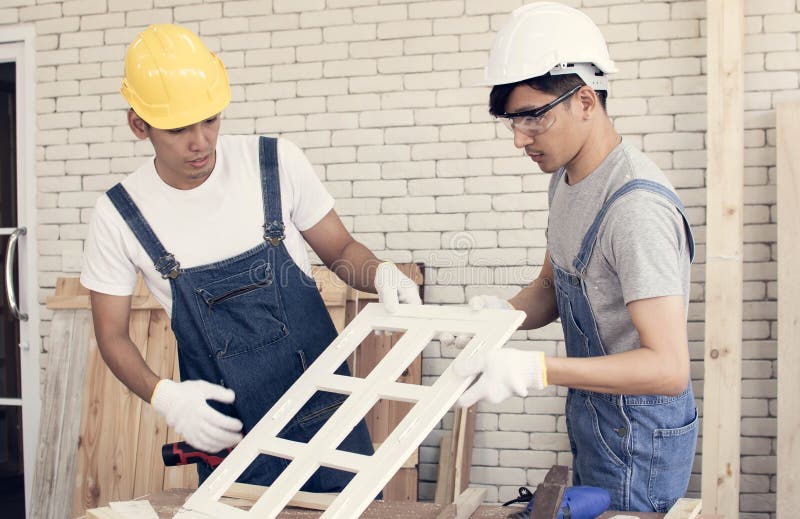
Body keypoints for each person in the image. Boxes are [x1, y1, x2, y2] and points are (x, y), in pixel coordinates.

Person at [80, 23, 421, 491]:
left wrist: (380, 272)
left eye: (211, 119)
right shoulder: (119, 215)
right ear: (139, 124)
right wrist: (164, 395)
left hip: (324, 412)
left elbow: (340, 249)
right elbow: (112, 334)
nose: (200, 141)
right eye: (179, 128)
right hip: (229, 436)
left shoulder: (274, 163)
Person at [447, 3, 698, 513]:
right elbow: (553, 286)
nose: (520, 140)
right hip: (596, 418)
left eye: (533, 118)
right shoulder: (566, 179)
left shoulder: (635, 208)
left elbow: (669, 368)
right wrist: (504, 317)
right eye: (513, 122)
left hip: (640, 439)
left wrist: (537, 368)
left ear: (585, 99)